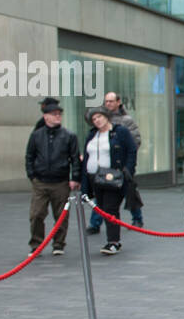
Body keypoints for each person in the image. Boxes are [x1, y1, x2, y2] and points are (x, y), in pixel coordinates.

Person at [26, 98, 80, 256]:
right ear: (46, 117)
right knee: (36, 214)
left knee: (61, 215)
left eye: (59, 114)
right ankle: (36, 244)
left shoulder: (69, 136)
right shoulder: (36, 135)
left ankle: (59, 244)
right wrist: (32, 175)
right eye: (54, 114)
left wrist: (74, 177)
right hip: (40, 181)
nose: (57, 116)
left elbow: (75, 158)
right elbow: (29, 156)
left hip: (61, 181)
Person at [81, 107, 137, 256]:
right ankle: (112, 239)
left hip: (113, 177)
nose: (97, 120)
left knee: (110, 208)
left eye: (99, 117)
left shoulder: (120, 132)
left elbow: (132, 150)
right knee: (103, 208)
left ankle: (113, 241)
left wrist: (128, 170)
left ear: (106, 117)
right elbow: (86, 156)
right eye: (94, 119)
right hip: (95, 178)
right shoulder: (92, 135)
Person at [89, 91, 144, 232]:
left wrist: (127, 164)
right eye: (106, 101)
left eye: (111, 101)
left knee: (129, 191)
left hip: (122, 166)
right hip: (105, 167)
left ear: (118, 102)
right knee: (101, 195)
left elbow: (135, 142)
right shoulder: (100, 120)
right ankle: (95, 223)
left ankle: (137, 218)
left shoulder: (126, 120)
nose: (108, 104)